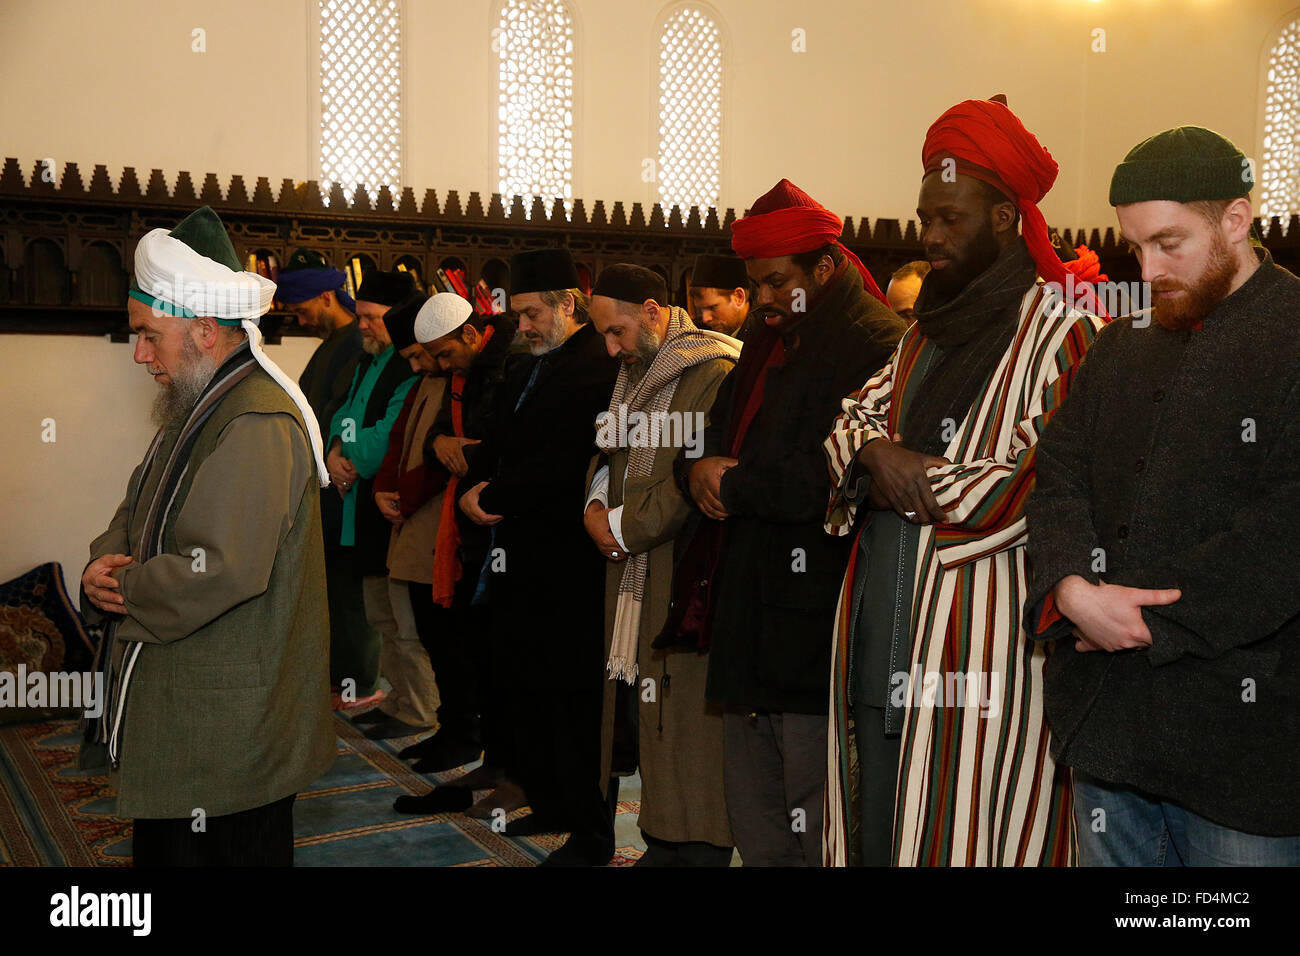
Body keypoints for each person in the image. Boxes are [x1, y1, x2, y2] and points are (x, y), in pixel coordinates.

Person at [822, 97, 1104, 867]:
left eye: (950, 219)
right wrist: (878, 458)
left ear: (1008, 218)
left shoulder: (1066, 331)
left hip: (982, 644)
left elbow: (1025, 482)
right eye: (924, 219)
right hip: (884, 623)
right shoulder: (922, 331)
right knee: (881, 825)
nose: (931, 237)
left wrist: (893, 470)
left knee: (973, 830)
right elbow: (848, 422)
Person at [1025, 126, 1300, 866]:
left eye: (1169, 244)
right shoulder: (1121, 346)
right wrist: (1072, 588)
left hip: (1244, 746)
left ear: (1235, 220)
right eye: (1135, 248)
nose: (1148, 269)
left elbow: (1285, 529)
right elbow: (1059, 476)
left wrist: (1144, 623)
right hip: (1111, 728)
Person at [78, 206, 335, 866]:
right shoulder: (199, 405)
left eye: (147, 336)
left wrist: (122, 587)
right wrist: (101, 565)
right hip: (191, 703)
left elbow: (217, 566)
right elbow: (134, 510)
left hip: (226, 729)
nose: (139, 354)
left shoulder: (254, 421)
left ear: (200, 328)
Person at [679, 179, 904, 866]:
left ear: (824, 269)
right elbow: (719, 433)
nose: (764, 298)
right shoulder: (772, 330)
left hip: (817, 617)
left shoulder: (873, 340)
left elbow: (836, 476)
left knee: (818, 806)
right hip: (749, 601)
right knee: (755, 803)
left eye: (777, 282)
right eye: (757, 284)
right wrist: (699, 472)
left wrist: (733, 482)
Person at [458, 248, 619, 866]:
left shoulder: (596, 367)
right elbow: (497, 439)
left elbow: (567, 465)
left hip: (571, 565)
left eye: (530, 314)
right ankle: (551, 801)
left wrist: (492, 493)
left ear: (566, 306)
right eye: (516, 315)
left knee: (577, 701)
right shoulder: (528, 366)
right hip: (518, 560)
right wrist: (474, 484)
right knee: (532, 688)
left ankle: (593, 832)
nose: (519, 327)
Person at [586, 263, 740, 866]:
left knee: (684, 718)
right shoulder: (635, 372)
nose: (611, 347)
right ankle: (662, 837)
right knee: (645, 712)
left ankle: (698, 845)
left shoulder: (713, 368)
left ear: (653, 311)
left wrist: (623, 527)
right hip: (630, 565)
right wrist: (598, 502)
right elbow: (606, 451)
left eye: (618, 331)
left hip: (681, 566)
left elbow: (695, 477)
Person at [393, 298, 531, 812]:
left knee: (504, 659)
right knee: (480, 653)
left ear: (473, 335)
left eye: (447, 353)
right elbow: (437, 436)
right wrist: (442, 443)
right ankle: (494, 759)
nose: (443, 366)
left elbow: (514, 441)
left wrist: (472, 452)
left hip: (506, 530)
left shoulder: (515, 362)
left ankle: (517, 769)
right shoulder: (463, 372)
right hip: (471, 531)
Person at [356, 292, 449, 739]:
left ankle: (420, 708)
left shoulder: (450, 380)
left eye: (418, 355)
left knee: (410, 628)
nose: (414, 365)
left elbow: (435, 460)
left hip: (426, 523)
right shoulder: (420, 381)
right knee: (388, 621)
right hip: (398, 520)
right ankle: (400, 699)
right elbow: (396, 445)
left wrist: (402, 497)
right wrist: (380, 489)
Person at [326, 270, 419, 709]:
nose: (360, 325)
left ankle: (414, 708)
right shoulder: (367, 359)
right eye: (359, 316)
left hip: (390, 504)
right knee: (376, 614)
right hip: (357, 500)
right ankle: (396, 702)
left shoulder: (407, 363)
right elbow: (342, 414)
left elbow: (382, 439)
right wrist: (335, 451)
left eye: (370, 317)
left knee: (400, 620)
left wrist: (352, 453)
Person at [275, 247, 362, 425]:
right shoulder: (330, 343)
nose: (301, 322)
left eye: (302, 312)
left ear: (326, 297)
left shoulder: (358, 343)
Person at [687, 253, 752, 337]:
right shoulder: (697, 332)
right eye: (700, 310)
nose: (705, 319)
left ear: (739, 297)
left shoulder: (766, 335)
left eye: (712, 307)